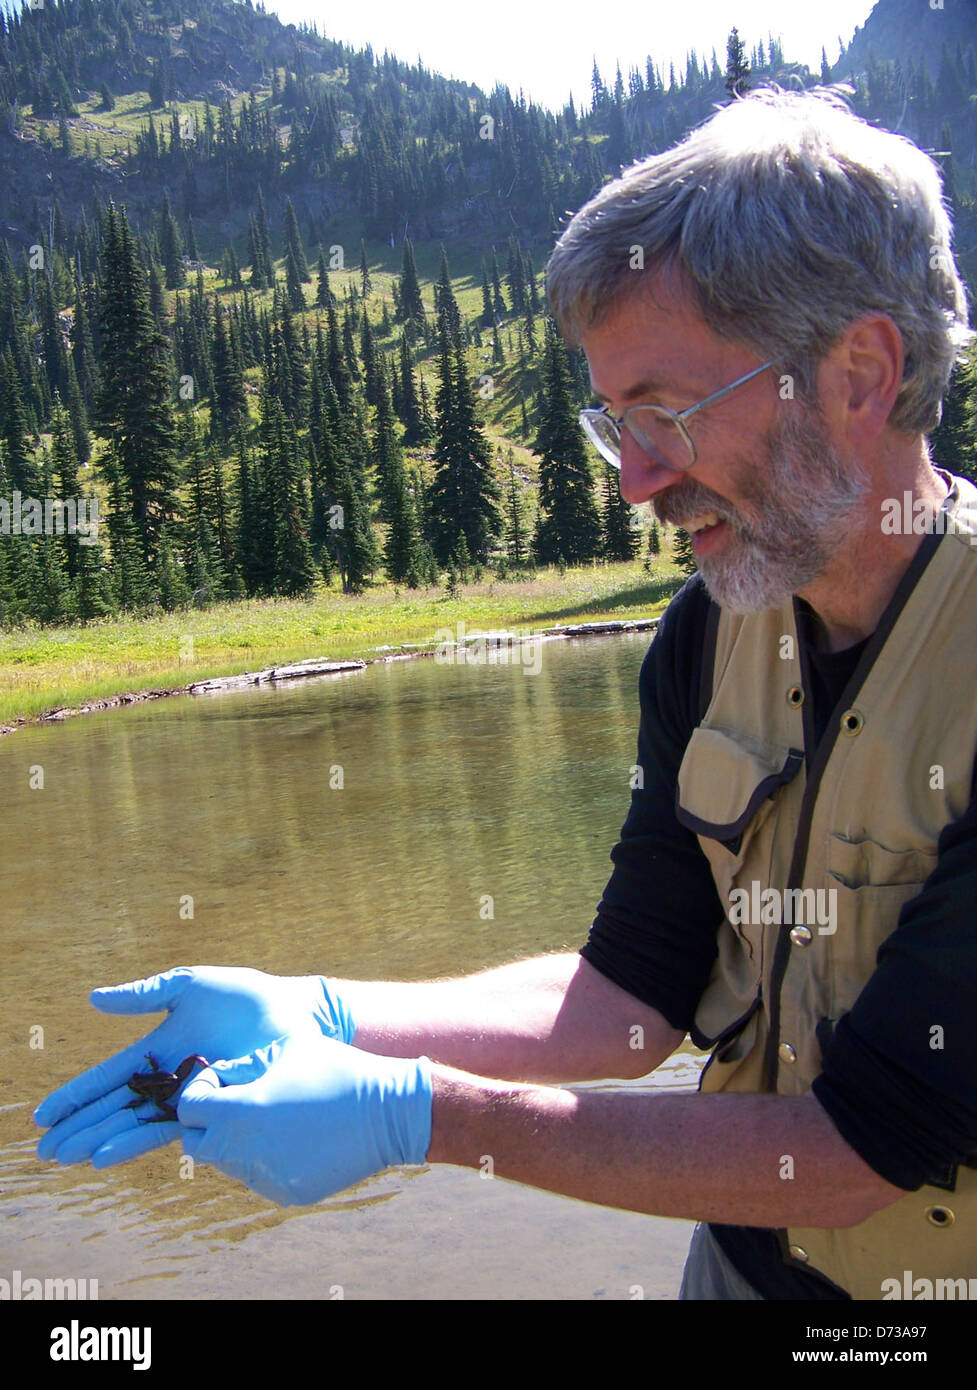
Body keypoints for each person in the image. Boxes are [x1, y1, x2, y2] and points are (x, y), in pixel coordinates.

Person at [35, 87, 977, 1301]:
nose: (633, 480)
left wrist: (425, 1117)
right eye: (610, 423)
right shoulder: (707, 633)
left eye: (663, 416)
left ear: (855, 372)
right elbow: (627, 1001)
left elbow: (857, 1153)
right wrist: (321, 1012)